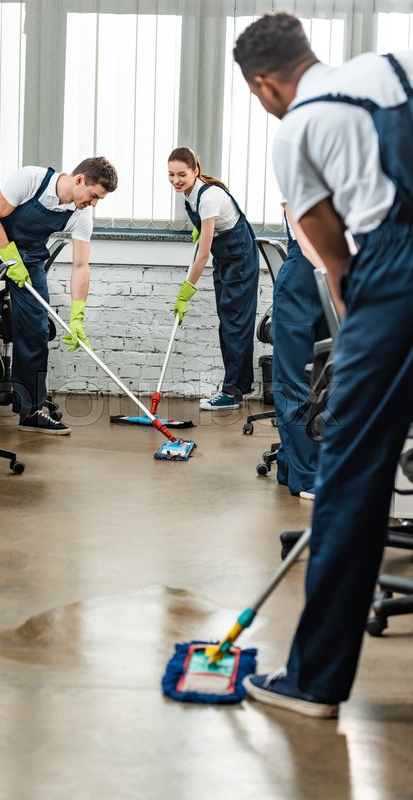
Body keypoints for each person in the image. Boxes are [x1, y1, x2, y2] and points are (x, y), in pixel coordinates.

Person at [233, 13, 413, 717]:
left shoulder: (296, 129)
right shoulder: (392, 67)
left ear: (264, 83)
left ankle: (314, 680)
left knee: (350, 472)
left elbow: (336, 263)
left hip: (393, 272)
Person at [0, 158, 118, 434]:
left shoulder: (81, 214)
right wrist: (8, 257)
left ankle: (30, 411)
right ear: (79, 180)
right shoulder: (30, 179)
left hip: (30, 259)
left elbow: (80, 265)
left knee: (36, 330)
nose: (94, 203)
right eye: (93, 195)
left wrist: (77, 315)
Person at [168, 147, 259, 410]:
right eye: (171, 175)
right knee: (229, 322)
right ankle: (237, 386)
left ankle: (232, 393)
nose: (176, 180)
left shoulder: (207, 198)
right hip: (227, 257)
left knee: (235, 324)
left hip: (239, 259)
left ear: (195, 171)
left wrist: (186, 291)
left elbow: (203, 255)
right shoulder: (190, 194)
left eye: (181, 174)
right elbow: (208, 237)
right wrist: (204, 231)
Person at [272, 205, 329, 500]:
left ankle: (288, 467)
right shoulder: (299, 171)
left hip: (326, 278)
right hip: (305, 280)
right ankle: (306, 477)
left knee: (321, 379)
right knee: (295, 379)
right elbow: (307, 241)